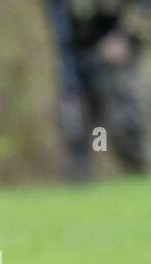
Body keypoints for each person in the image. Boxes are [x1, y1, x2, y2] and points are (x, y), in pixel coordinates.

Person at [44, 0, 151, 180]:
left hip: (117, 64)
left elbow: (144, 11)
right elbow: (61, 36)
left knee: (124, 129)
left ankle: (140, 177)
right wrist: (68, 85)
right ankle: (86, 188)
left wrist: (125, 38)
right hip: (79, 66)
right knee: (79, 133)